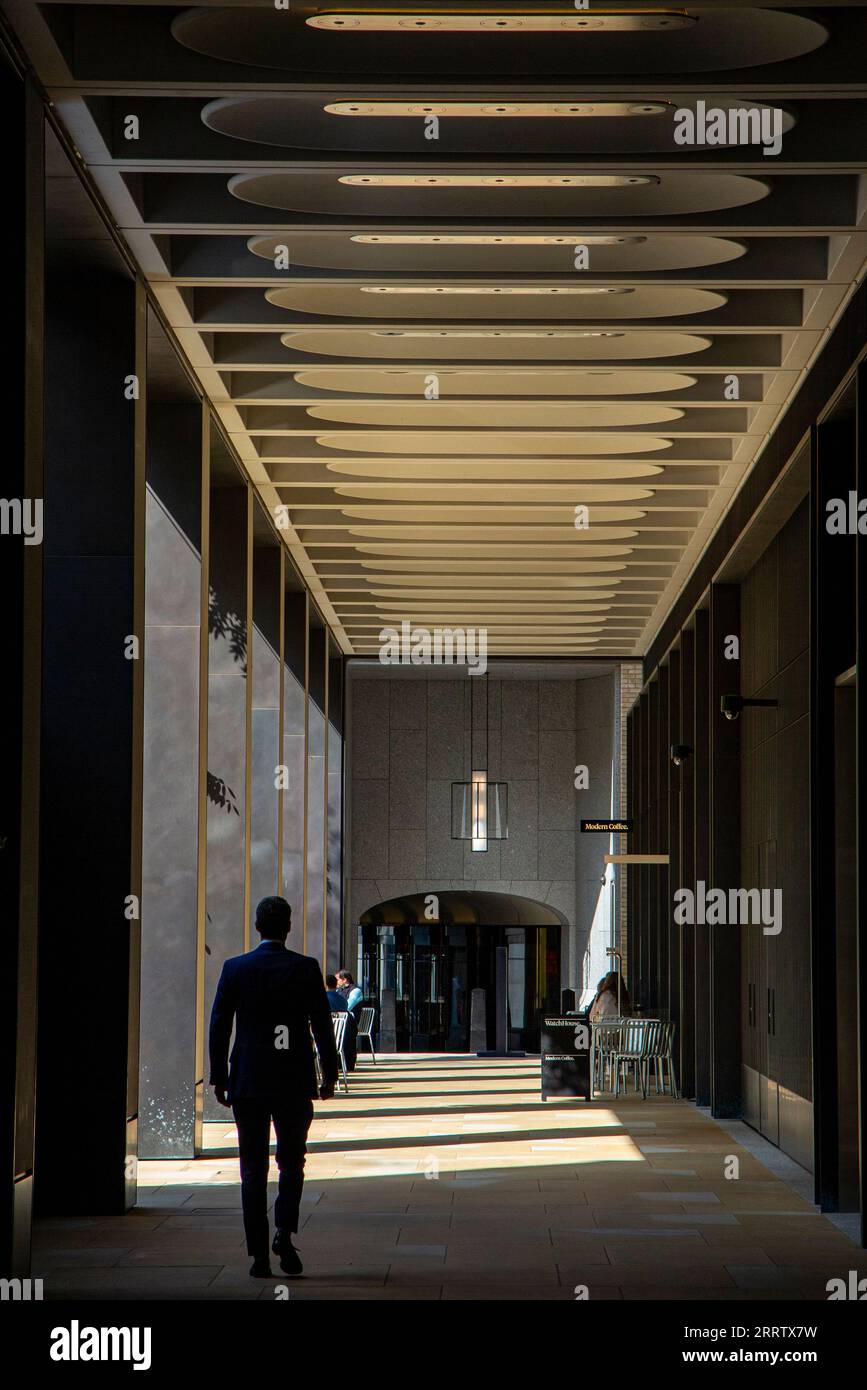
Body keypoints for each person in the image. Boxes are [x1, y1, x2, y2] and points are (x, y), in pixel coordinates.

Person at [209, 895, 338, 1279]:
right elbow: (321, 1024)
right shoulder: (305, 968)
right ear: (289, 926)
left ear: (256, 926)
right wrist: (328, 1075)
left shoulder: (235, 969)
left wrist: (219, 1077)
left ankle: (258, 1257)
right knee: (291, 1163)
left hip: (248, 1081)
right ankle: (283, 1231)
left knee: (252, 1168)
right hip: (293, 1082)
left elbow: (220, 1026)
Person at [336, 969, 362, 1070]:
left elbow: (347, 1006)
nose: (336, 982)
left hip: (350, 1023)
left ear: (344, 980)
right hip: (339, 1021)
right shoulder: (338, 991)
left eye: (338, 980)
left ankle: (348, 1064)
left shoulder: (356, 991)